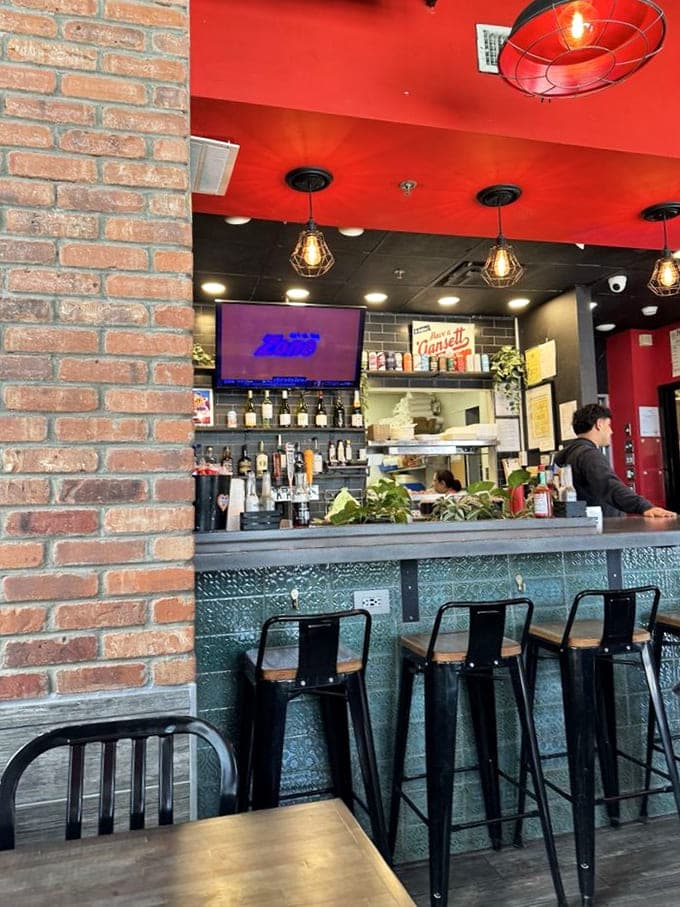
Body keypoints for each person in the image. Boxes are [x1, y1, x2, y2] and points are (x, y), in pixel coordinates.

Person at [553, 403, 675, 518]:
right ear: (599, 424)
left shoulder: (562, 455)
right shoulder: (589, 455)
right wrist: (644, 506)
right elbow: (609, 485)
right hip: (601, 525)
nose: (611, 432)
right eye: (609, 425)